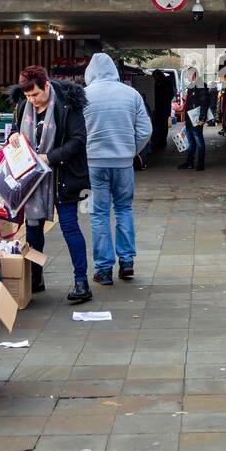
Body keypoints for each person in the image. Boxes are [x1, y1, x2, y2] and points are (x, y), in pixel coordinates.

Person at [9, 65, 92, 304]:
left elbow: (78, 140)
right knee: (33, 228)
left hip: (64, 176)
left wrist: (50, 157)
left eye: (35, 94)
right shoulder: (23, 104)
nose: (32, 100)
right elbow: (16, 129)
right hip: (33, 179)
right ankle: (36, 278)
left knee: (69, 226)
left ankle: (81, 282)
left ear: (46, 85)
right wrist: (13, 135)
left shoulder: (68, 104)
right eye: (27, 96)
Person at [82, 53, 152, 285]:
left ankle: (103, 269)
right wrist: (131, 151)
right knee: (124, 208)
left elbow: (76, 133)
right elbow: (145, 130)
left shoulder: (83, 96)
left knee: (98, 214)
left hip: (94, 164)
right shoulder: (131, 94)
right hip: (123, 164)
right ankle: (127, 261)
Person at [179, 66, 211, 171]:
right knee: (191, 142)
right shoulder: (191, 86)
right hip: (190, 119)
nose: (187, 76)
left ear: (194, 74)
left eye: (188, 74)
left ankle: (200, 164)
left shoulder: (201, 86)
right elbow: (188, 104)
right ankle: (189, 163)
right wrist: (185, 118)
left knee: (199, 141)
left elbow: (204, 103)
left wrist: (202, 118)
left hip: (197, 119)